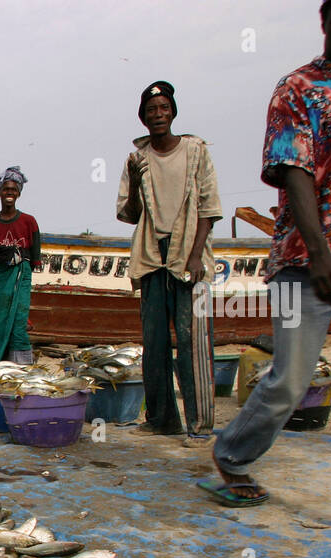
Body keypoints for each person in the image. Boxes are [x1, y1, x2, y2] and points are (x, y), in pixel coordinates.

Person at [203, 0, 331, 548]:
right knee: (291, 380)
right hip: (304, 261)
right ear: (324, 23)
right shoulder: (296, 88)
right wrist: (321, 254)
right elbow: (292, 170)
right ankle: (232, 454)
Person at [117, 80, 223, 447]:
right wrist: (133, 178)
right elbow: (129, 215)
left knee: (193, 343)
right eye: (151, 111)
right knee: (155, 343)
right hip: (150, 259)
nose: (158, 115)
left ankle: (201, 424)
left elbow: (209, 210)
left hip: (187, 258)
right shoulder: (137, 159)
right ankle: (162, 420)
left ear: (173, 112)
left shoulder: (196, 151)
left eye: (164, 109)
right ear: (143, 119)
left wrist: (195, 256)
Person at [0, 167, 42, 365]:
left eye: (13, 190)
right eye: (6, 189)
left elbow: (33, 258)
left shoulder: (29, 222)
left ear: (19, 193)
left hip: (20, 277)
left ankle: (20, 367)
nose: (9, 193)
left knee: (18, 323)